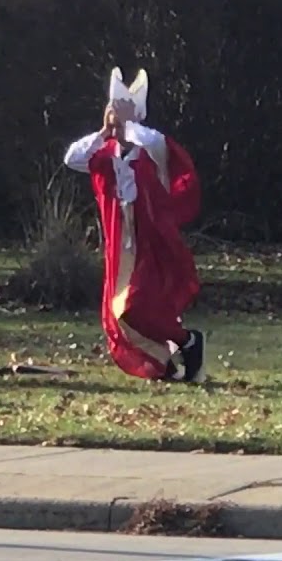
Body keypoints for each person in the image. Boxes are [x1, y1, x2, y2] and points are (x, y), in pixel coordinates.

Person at [63, 67, 207, 384]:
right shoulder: (105, 153)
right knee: (116, 315)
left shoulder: (151, 148)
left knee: (135, 305)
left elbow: (156, 147)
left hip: (151, 241)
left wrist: (128, 122)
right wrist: (104, 131)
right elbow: (72, 158)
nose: (115, 125)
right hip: (121, 243)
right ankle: (163, 362)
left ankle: (187, 341)